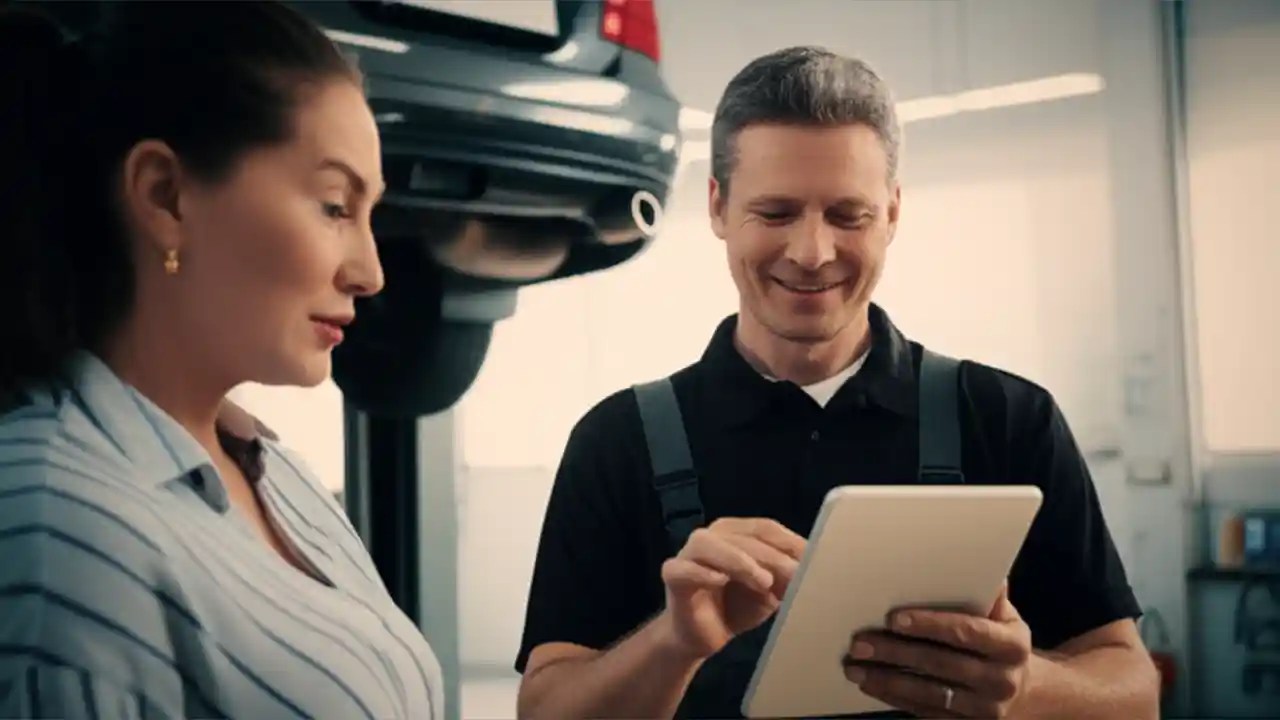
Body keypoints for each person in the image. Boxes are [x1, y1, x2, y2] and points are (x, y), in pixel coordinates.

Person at [514, 46, 1160, 720]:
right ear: (717, 206)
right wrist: (672, 643)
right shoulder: (618, 441)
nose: (812, 253)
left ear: (893, 212)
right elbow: (543, 711)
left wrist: (1026, 688)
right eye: (775, 213)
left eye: (849, 215)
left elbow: (1134, 695)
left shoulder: (1008, 420)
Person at [0, 3, 444, 719]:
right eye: (335, 206)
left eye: (371, 215)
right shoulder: (61, 533)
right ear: (165, 196)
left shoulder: (275, 472)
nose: (371, 273)